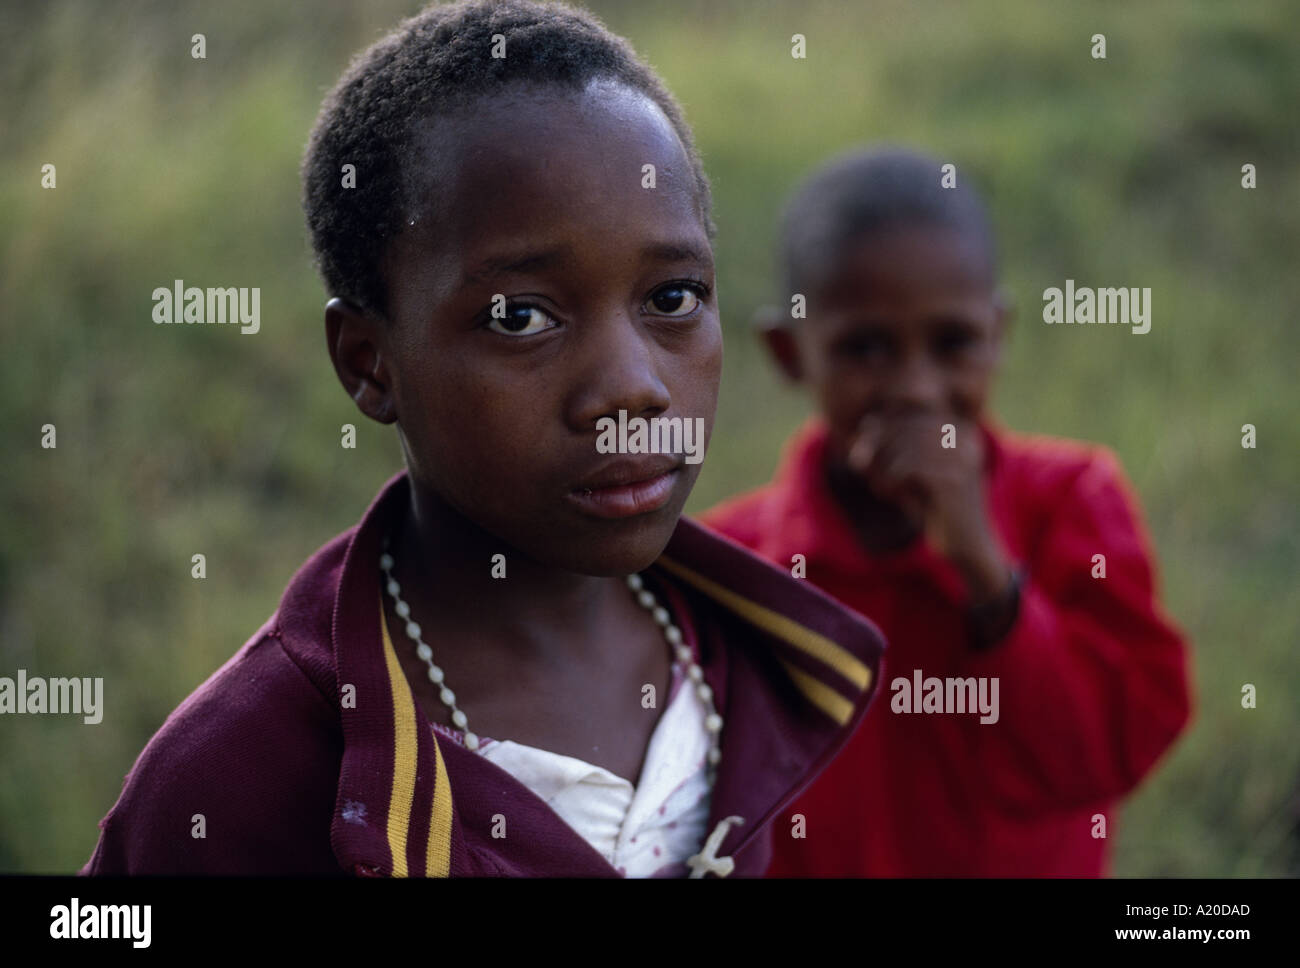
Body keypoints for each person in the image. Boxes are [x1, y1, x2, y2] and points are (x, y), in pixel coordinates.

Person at [80, 0, 884, 878]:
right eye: (522, 316)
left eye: (673, 299)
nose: (634, 388)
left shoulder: (756, 667)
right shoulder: (234, 786)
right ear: (370, 365)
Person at [701, 146, 1193, 876]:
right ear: (788, 352)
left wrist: (985, 568)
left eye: (953, 342)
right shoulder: (735, 566)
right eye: (865, 348)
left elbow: (1113, 751)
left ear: (998, 335)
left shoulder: (1071, 502)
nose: (916, 388)